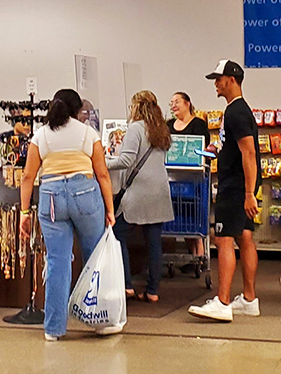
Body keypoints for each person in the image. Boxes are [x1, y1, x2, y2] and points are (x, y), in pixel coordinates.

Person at [19, 88, 117, 341]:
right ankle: (101, 321)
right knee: (95, 258)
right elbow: (103, 174)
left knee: (57, 262)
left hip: (51, 197)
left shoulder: (40, 135)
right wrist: (109, 209)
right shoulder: (88, 133)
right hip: (84, 192)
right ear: (77, 110)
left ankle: (53, 329)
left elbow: (28, 176)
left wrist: (24, 212)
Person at [189, 60, 261, 322]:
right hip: (242, 184)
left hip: (236, 186)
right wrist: (216, 150)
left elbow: (249, 152)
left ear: (231, 79)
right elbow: (235, 146)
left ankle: (222, 301)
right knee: (244, 236)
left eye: (218, 79)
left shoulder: (236, 112)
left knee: (223, 239)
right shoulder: (235, 110)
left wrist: (248, 193)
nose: (216, 84)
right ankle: (249, 299)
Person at [107, 90, 174, 303]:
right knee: (154, 242)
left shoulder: (136, 128)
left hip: (138, 192)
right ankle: (152, 290)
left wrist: (103, 162)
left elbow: (126, 160)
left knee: (118, 234)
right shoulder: (162, 129)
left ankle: (126, 284)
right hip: (159, 191)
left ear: (136, 107)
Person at [167, 91, 211, 263]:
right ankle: (192, 256)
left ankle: (198, 254)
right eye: (171, 103)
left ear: (187, 103)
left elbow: (204, 147)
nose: (173, 105)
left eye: (177, 101)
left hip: (195, 180)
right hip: (173, 179)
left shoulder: (198, 124)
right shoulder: (169, 125)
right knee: (180, 215)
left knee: (195, 215)